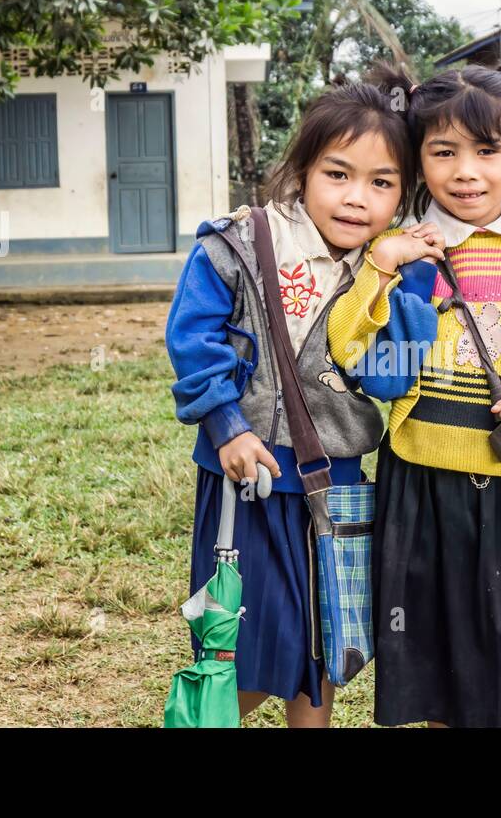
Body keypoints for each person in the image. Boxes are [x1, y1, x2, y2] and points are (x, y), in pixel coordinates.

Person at [328, 56, 501, 727]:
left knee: (499, 655)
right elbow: (349, 346)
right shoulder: (400, 248)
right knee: (425, 653)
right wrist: (379, 269)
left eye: (487, 151)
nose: (465, 171)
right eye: (443, 151)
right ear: (420, 160)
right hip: (415, 485)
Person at [165, 82, 413, 727]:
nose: (358, 198)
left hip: (338, 485)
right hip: (245, 479)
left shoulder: (395, 268)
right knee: (239, 647)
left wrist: (388, 279)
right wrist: (226, 424)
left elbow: (391, 376)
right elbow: (193, 337)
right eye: (338, 174)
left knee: (323, 642)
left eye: (382, 183)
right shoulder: (241, 243)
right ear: (302, 170)